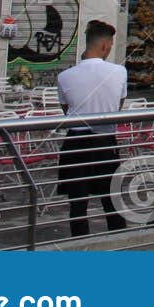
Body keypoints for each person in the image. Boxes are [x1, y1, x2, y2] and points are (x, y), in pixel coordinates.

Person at [56, 20, 128, 238]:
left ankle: (80, 245)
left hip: (75, 142)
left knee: (77, 204)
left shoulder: (64, 76)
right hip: (105, 141)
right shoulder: (119, 72)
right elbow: (118, 105)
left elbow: (66, 109)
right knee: (111, 201)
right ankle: (119, 244)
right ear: (105, 45)